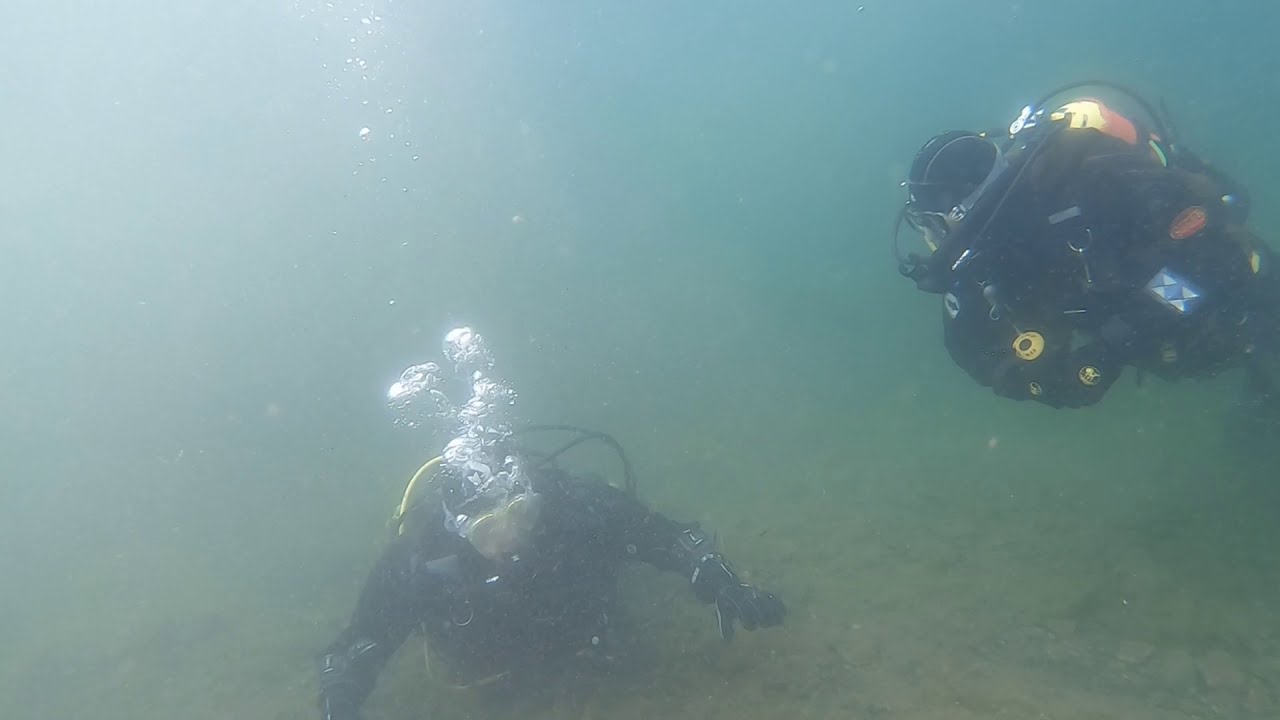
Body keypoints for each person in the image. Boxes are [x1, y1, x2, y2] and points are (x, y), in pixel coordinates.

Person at [316, 330, 785, 720]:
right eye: (485, 530)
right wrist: (342, 699)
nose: (511, 538)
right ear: (458, 530)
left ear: (532, 497)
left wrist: (721, 580)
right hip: (489, 669)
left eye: (520, 513)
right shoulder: (420, 558)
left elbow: (667, 537)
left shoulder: (574, 506)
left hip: (593, 644)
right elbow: (358, 646)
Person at [893, 81, 1280, 414]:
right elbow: (968, 343)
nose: (933, 237)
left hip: (1252, 298)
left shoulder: (1098, 182)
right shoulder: (992, 250)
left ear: (963, 206)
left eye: (933, 222)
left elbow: (1209, 263)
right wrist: (1034, 383)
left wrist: (1115, 344)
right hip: (1190, 349)